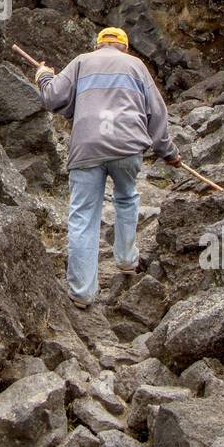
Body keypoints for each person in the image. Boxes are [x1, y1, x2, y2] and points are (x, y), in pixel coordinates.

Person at [35, 27, 181, 308]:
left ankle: (81, 292)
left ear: (98, 44)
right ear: (124, 47)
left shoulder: (81, 62)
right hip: (127, 147)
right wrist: (168, 153)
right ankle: (127, 260)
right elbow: (157, 114)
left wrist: (43, 76)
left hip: (87, 148)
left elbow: (53, 98)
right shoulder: (136, 66)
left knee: (83, 217)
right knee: (127, 198)